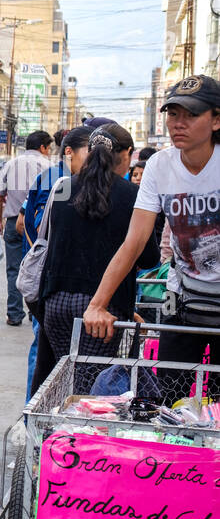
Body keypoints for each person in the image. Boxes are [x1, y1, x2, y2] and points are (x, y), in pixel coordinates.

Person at [84, 74, 220, 402]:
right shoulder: (160, 165)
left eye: (191, 115)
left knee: (217, 405)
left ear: (216, 120)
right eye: (173, 114)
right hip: (182, 299)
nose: (178, 123)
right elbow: (134, 242)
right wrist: (97, 304)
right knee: (168, 398)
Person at [34, 125, 158, 395]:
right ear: (126, 154)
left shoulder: (64, 189)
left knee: (64, 381)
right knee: (90, 391)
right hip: (100, 309)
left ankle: (54, 436)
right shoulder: (132, 195)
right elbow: (149, 258)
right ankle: (72, 437)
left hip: (56, 303)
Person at [22, 126, 92, 395]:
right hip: (53, 284)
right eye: (91, 150)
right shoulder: (60, 182)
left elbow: (25, 223)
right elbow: (38, 225)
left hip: (58, 281)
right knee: (43, 352)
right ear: (70, 152)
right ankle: (33, 416)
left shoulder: (64, 178)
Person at [0, 129, 52, 325]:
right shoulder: (50, 167)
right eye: (49, 148)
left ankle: (14, 313)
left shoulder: (10, 164)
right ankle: (35, 313)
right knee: (40, 268)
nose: (50, 151)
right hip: (40, 226)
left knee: (14, 270)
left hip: (12, 222)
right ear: (42, 147)